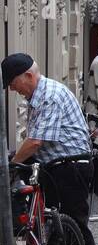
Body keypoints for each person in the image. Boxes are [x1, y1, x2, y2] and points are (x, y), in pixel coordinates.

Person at [4, 54, 93, 234]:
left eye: (13, 82)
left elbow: (36, 141)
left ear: (28, 76)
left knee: (75, 225)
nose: (12, 89)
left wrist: (12, 164)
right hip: (56, 164)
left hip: (70, 166)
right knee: (54, 225)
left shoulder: (49, 95)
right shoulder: (37, 95)